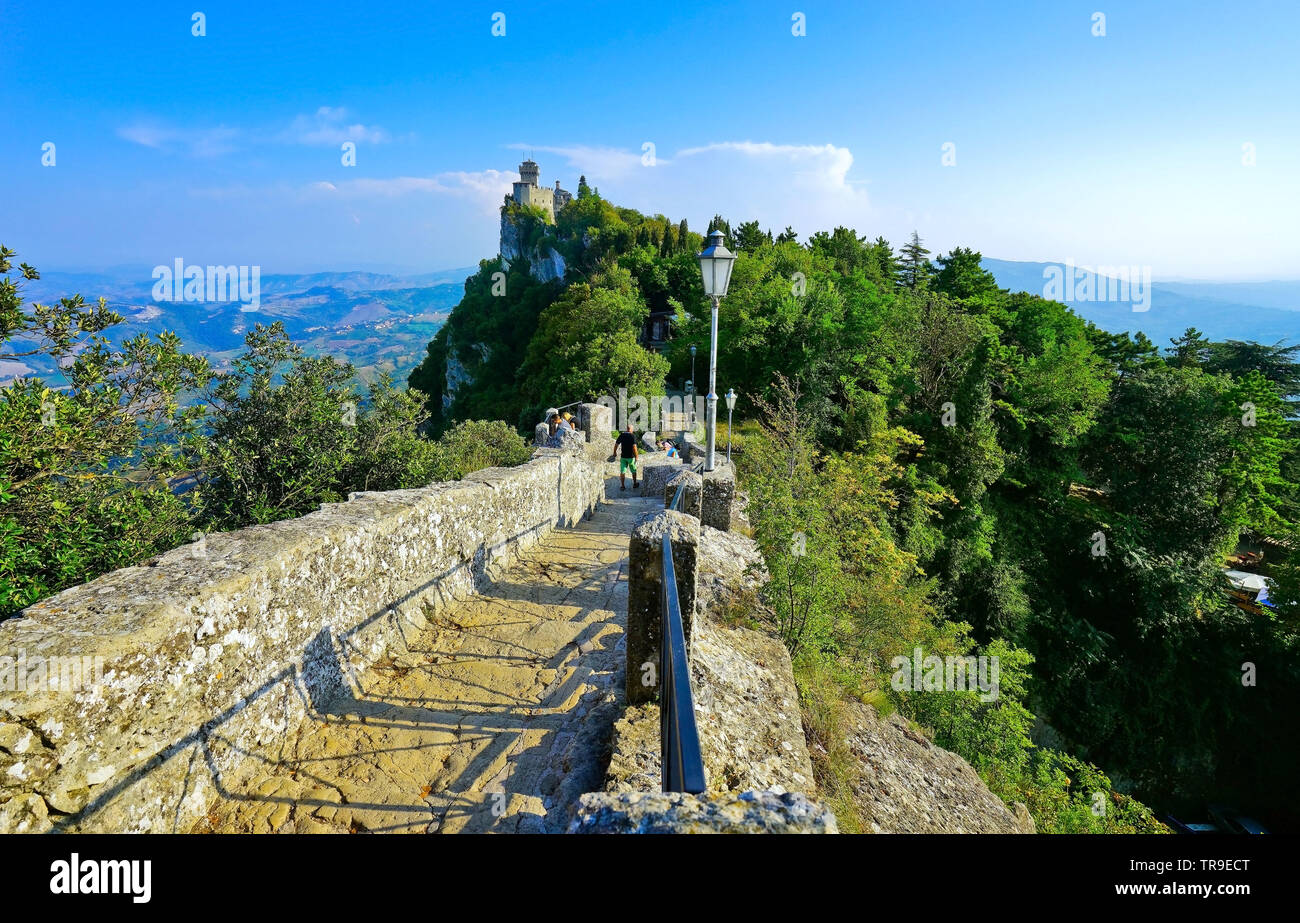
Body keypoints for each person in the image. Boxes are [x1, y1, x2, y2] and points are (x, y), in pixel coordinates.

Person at [614, 424, 639, 491]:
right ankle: (634, 483)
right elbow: (634, 447)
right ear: (630, 429)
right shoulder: (632, 436)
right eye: (632, 429)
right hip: (631, 457)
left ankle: (622, 486)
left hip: (623, 457)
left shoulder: (622, 435)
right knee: (633, 471)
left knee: (622, 472)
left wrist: (614, 452)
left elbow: (616, 444)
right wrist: (636, 456)